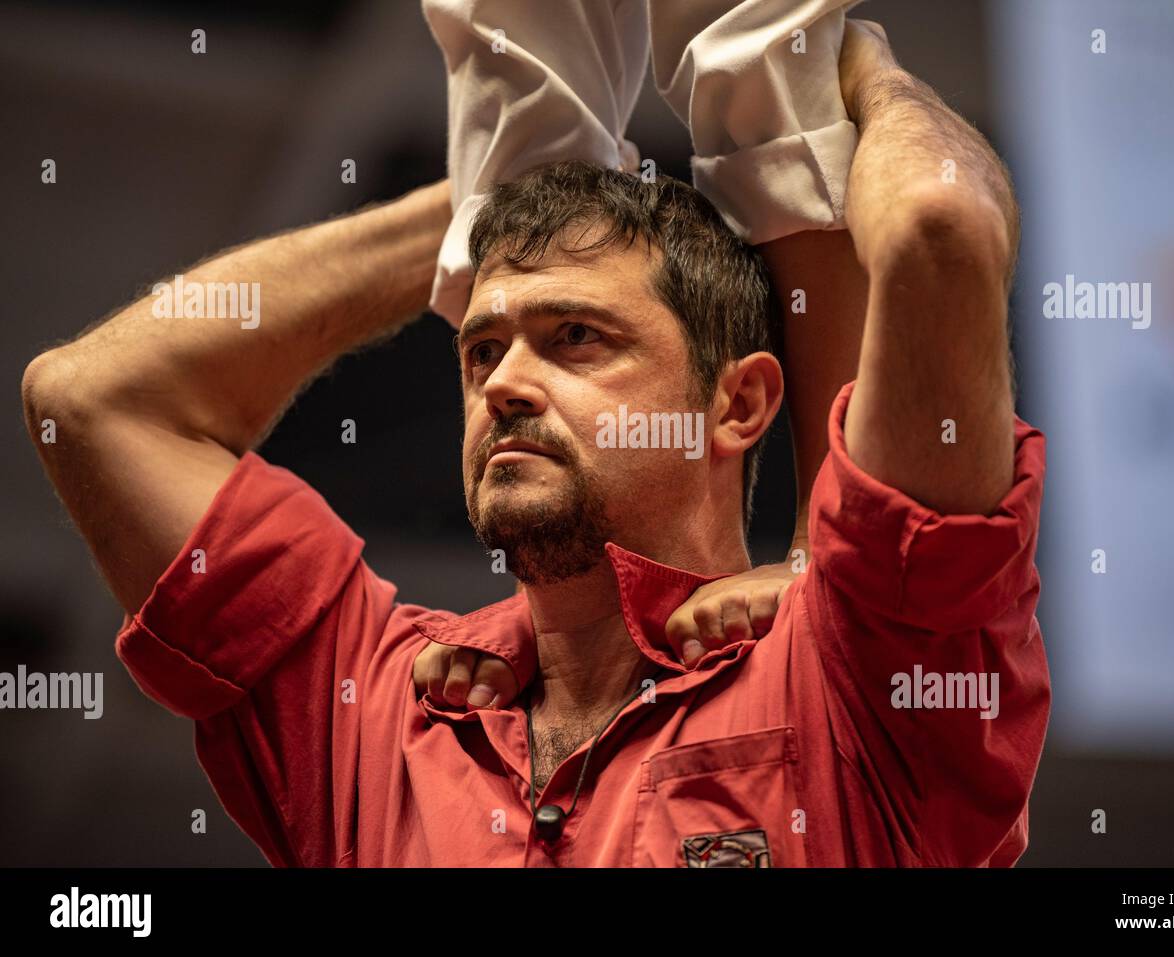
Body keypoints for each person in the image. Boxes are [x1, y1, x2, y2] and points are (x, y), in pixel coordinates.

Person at [21, 11, 1048, 866]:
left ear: (737, 405)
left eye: (574, 338)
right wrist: (489, 203)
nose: (504, 382)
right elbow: (90, 398)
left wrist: (844, 69)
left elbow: (939, 231)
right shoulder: (378, 708)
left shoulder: (857, 686)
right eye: (478, 352)